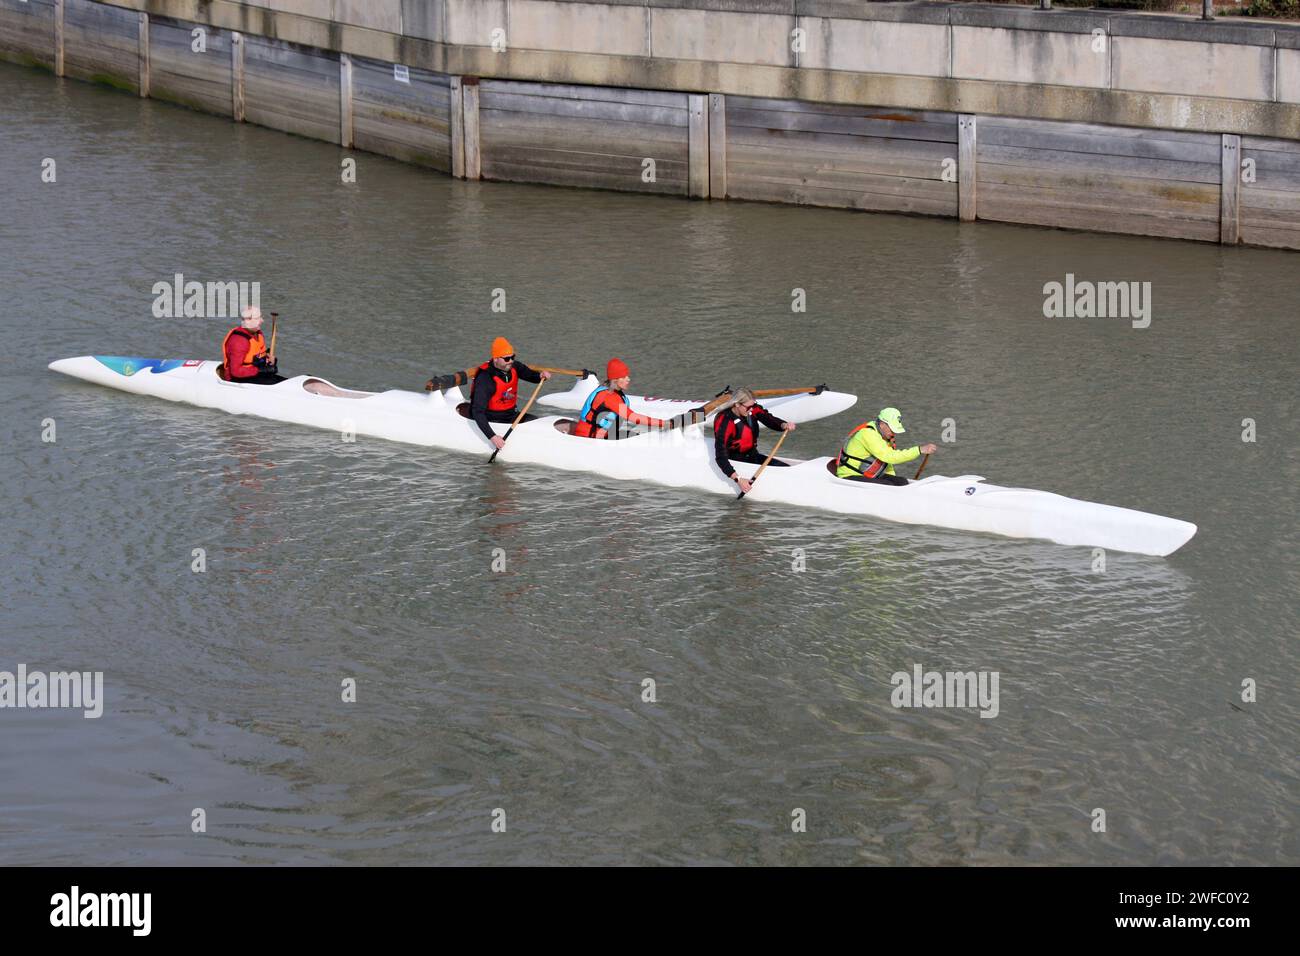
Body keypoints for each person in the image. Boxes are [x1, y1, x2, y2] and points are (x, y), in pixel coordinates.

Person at [469, 336, 551, 451]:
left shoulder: (514, 366)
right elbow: (477, 412)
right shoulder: (486, 378)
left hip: (511, 414)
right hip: (493, 418)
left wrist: (541, 376)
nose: (511, 361)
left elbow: (531, 376)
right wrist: (492, 437)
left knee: (536, 422)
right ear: (495, 358)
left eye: (513, 357)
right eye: (507, 359)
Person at [714, 387, 795, 495]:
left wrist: (783, 424)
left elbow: (768, 419)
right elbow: (720, 456)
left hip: (753, 455)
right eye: (748, 407)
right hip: (736, 460)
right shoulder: (725, 421)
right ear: (737, 404)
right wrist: (738, 479)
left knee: (786, 468)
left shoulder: (751, 409)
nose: (751, 409)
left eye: (753, 405)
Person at [834, 406, 936, 486]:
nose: (893, 433)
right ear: (882, 424)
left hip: (866, 474)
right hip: (849, 475)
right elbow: (889, 457)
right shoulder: (868, 434)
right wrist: (919, 450)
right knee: (888, 485)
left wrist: (893, 478)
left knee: (902, 482)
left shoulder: (883, 435)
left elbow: (887, 463)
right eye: (892, 429)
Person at [571, 358, 667, 439]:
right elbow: (633, 417)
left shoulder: (615, 392)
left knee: (637, 436)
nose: (628, 379)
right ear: (615, 380)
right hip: (587, 438)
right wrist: (666, 423)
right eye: (624, 377)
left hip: (602, 435)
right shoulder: (608, 397)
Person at [219, 306, 283, 383]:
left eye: (261, 317)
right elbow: (236, 371)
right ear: (247, 320)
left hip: (253, 373)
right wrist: (262, 370)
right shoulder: (239, 341)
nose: (262, 320)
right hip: (237, 379)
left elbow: (258, 356)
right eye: (257, 318)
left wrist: (269, 361)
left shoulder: (258, 333)